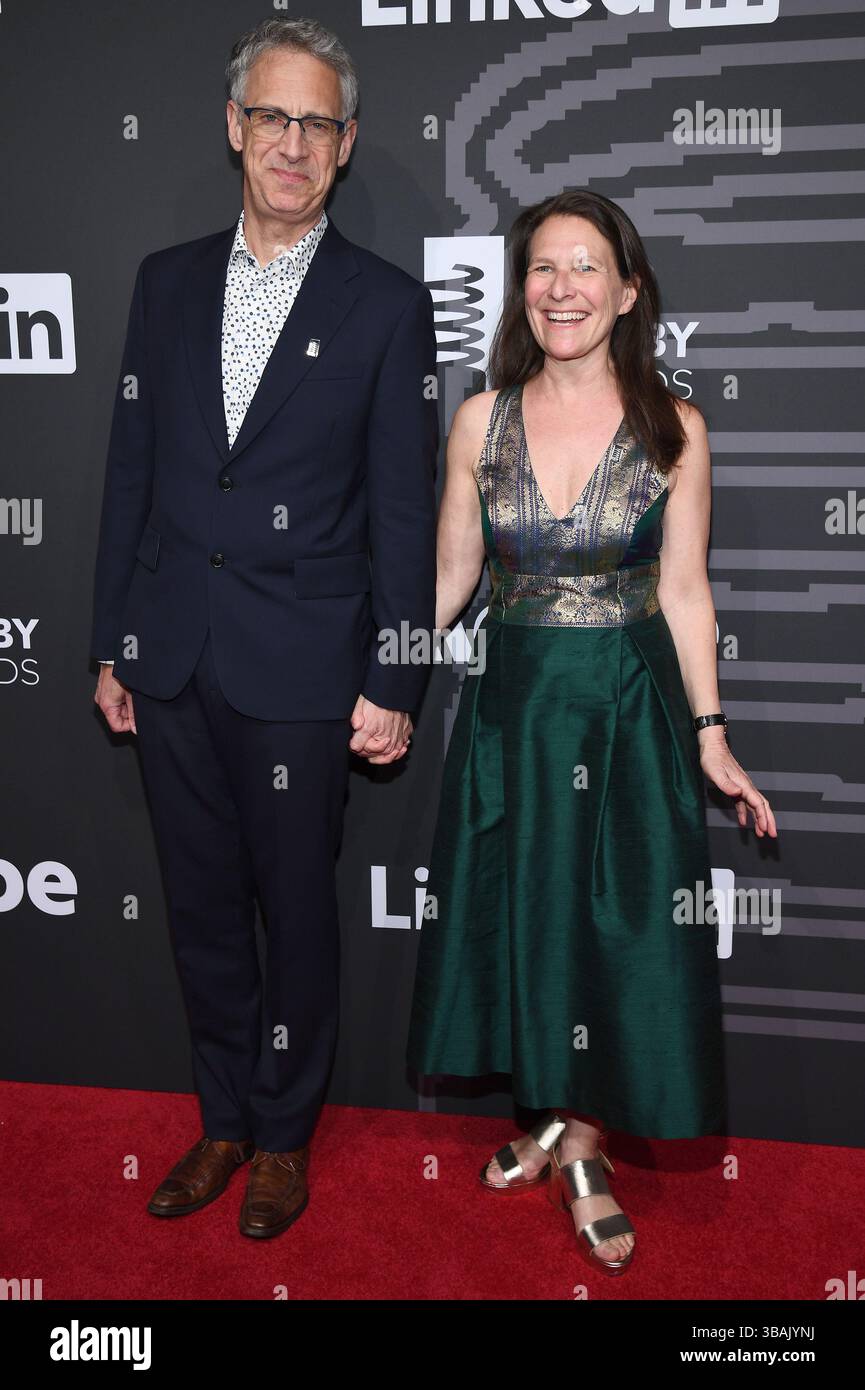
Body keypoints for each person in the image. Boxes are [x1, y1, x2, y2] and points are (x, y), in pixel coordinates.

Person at [90, 16, 437, 1239]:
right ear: (236, 128)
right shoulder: (164, 282)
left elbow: (405, 512)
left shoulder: (387, 310)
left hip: (304, 666)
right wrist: (111, 640)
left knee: (294, 909)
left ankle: (284, 1136)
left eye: (318, 125)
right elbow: (131, 470)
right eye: (272, 119)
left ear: (345, 149)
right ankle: (223, 1117)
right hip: (174, 651)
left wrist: (397, 676)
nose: (292, 145)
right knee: (197, 906)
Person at [407, 190, 777, 1274]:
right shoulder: (480, 417)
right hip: (515, 710)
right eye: (541, 268)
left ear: (625, 292)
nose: (561, 287)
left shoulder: (675, 427)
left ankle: (583, 1143)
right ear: (522, 290)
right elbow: (450, 575)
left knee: (612, 925)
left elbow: (686, 594)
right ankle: (554, 1119)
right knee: (528, 915)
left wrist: (709, 735)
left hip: (625, 706)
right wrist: (373, 676)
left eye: (585, 268)